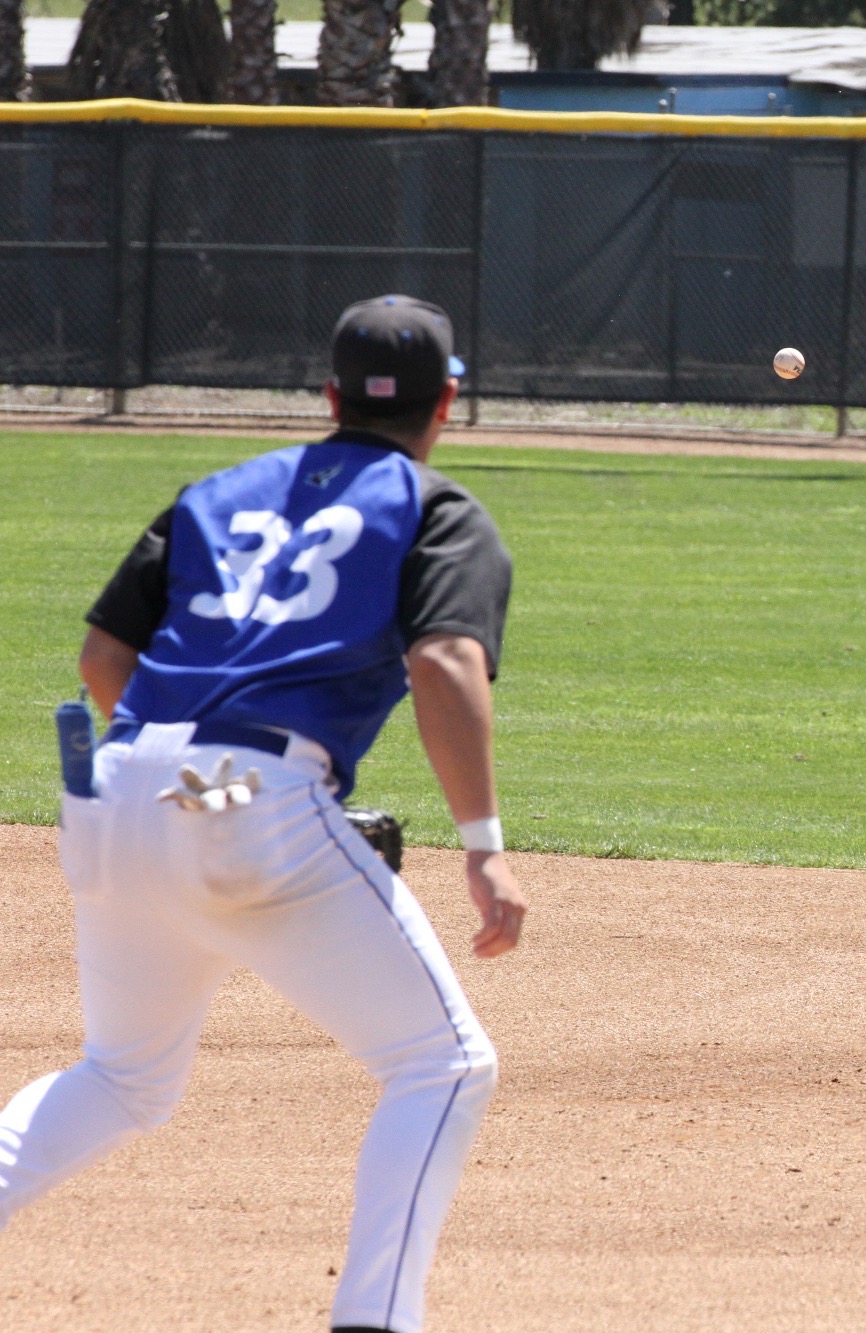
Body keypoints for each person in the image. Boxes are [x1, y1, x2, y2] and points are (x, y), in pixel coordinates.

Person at [0, 295, 524, 1333]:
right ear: (447, 403)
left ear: (329, 397)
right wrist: (483, 848)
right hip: (247, 793)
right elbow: (443, 661)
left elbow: (103, 659)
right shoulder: (436, 509)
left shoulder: (214, 490)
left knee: (121, 1075)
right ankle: (373, 1320)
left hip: (119, 785)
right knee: (443, 1063)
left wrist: (192, 792)